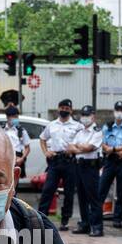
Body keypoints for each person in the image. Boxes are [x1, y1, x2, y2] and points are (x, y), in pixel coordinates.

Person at [38, 98, 82, 230]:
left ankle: (65, 220)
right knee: (48, 189)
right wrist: (46, 152)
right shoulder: (52, 125)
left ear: (71, 110)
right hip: (55, 161)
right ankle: (41, 218)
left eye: (67, 108)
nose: (64, 110)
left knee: (69, 193)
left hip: (70, 161)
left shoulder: (77, 126)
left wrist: (75, 149)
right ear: (58, 109)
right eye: (62, 108)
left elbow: (82, 142)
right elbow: (42, 138)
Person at [98, 100, 122, 229]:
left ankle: (117, 219)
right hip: (110, 160)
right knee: (102, 188)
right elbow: (102, 142)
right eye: (117, 110)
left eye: (121, 110)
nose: (119, 113)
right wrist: (110, 149)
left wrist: (115, 149)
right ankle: (96, 215)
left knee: (121, 191)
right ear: (114, 111)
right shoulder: (107, 126)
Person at [68, 104, 104, 236]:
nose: (85, 118)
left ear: (93, 116)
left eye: (87, 115)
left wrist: (79, 147)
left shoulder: (97, 131)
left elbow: (89, 148)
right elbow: (70, 147)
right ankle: (85, 224)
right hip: (79, 165)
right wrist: (80, 148)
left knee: (93, 198)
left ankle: (97, 226)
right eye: (83, 115)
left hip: (91, 167)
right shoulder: (80, 131)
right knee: (82, 197)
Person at [0, 106, 30, 177]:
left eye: (17, 117)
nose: (16, 119)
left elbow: (27, 147)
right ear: (8, 117)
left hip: (17, 158)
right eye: (14, 117)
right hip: (4, 158)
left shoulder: (21, 131)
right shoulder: (1, 130)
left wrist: (22, 158)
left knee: (15, 181)